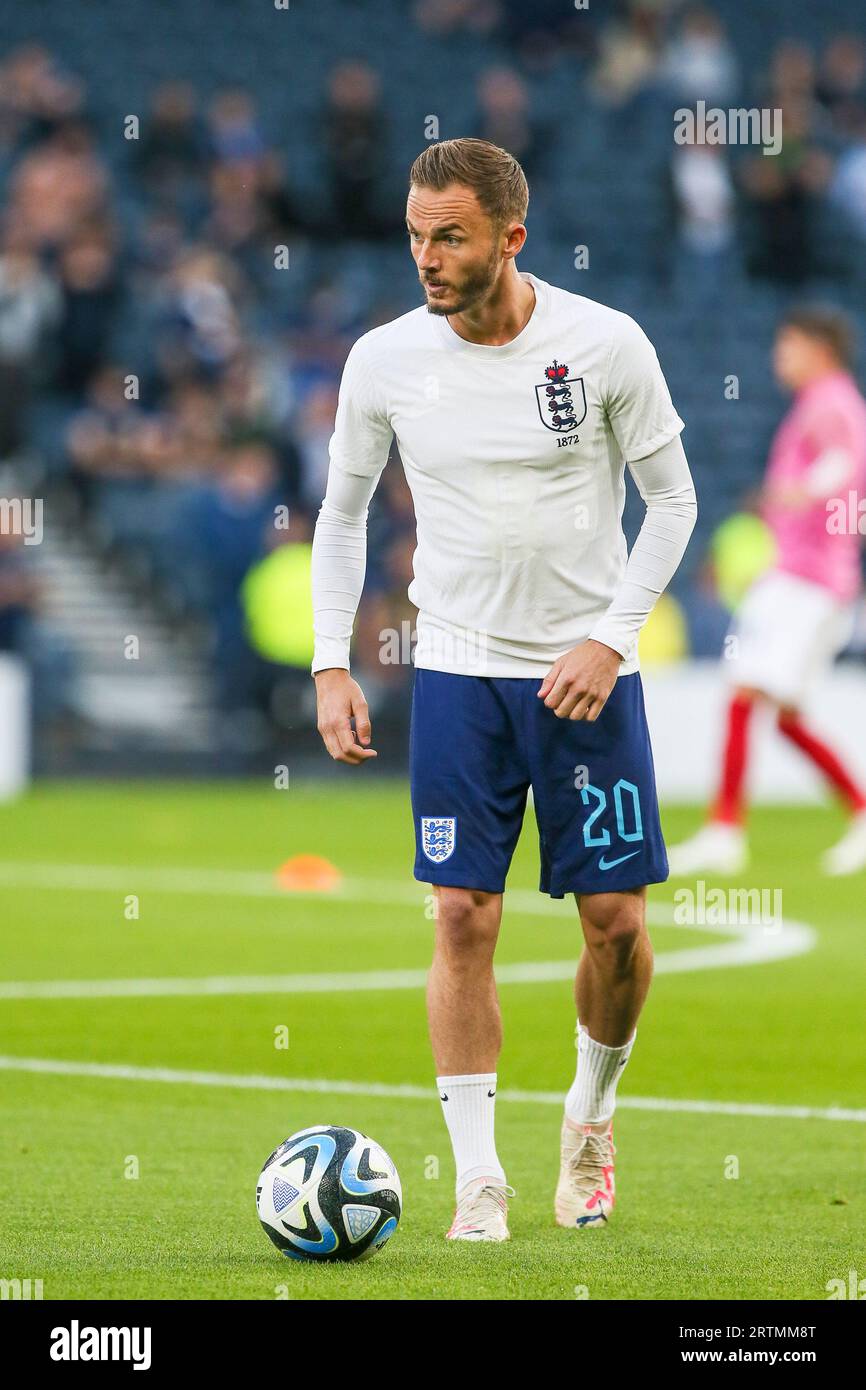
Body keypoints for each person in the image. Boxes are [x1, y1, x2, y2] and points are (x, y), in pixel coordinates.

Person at [311, 138, 697, 1240]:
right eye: (414, 235)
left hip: (582, 677)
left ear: (509, 239)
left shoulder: (604, 344)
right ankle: (476, 1174)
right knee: (460, 915)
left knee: (614, 925)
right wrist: (330, 658)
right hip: (457, 667)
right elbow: (341, 517)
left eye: (449, 237)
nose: (425, 258)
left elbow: (669, 502)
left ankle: (588, 1113)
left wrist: (612, 638)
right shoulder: (383, 361)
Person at [669, 307, 866, 879]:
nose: (779, 357)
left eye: (789, 345)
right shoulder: (826, 402)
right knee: (781, 714)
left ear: (818, 349)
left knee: (742, 692)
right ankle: (858, 812)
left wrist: (803, 492)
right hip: (814, 582)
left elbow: (845, 462)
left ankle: (724, 831)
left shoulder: (831, 402)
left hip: (804, 581)